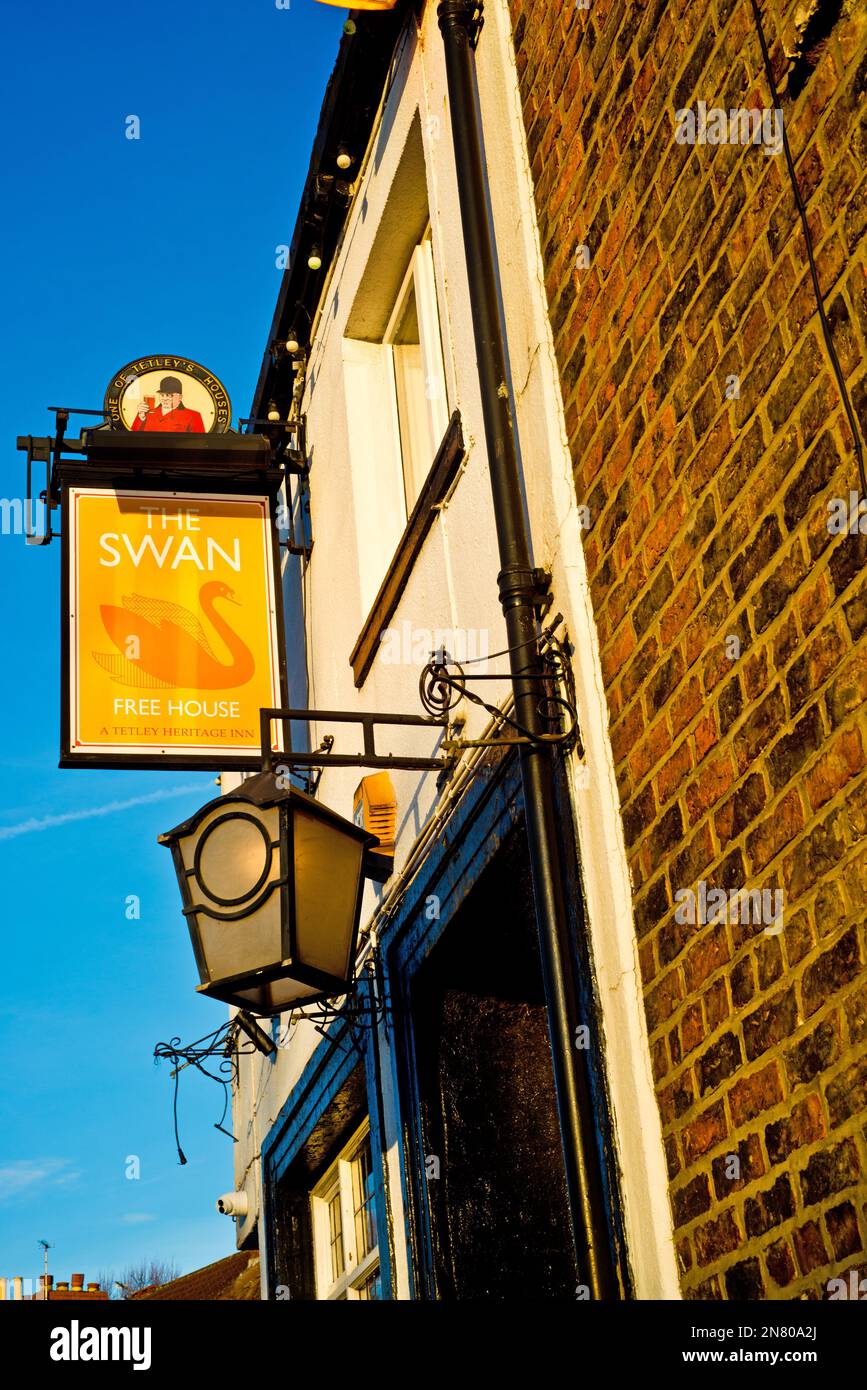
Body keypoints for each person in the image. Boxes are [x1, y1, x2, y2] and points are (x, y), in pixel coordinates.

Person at [132, 376, 205, 432]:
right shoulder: (146, 413)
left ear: (180, 397)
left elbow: (200, 441)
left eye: (170, 395)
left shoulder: (193, 416)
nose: (165, 398)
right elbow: (131, 436)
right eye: (162, 395)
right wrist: (141, 417)